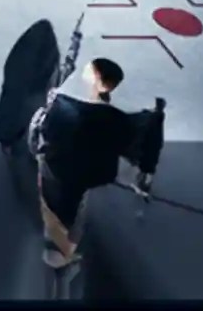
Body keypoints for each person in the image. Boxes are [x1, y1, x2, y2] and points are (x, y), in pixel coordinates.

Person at [34, 57, 133, 270]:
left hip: (57, 167)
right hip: (82, 174)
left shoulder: (63, 105)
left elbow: (46, 131)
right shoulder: (116, 118)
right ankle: (62, 251)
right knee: (71, 209)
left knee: (56, 209)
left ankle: (56, 254)